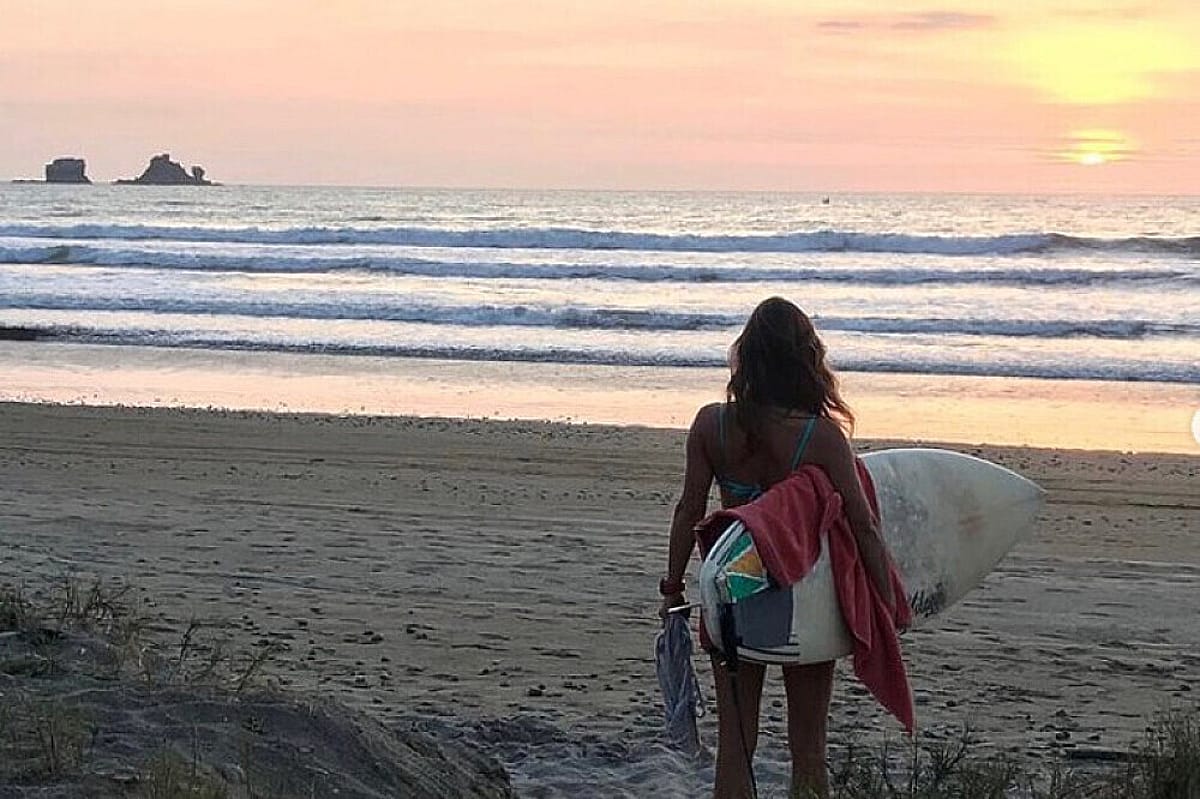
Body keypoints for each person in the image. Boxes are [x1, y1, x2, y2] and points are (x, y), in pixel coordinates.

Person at [658, 297, 897, 799]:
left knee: (735, 747)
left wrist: (673, 587)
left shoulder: (712, 426)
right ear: (806, 360)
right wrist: (887, 601)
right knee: (809, 747)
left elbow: (688, 511)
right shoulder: (822, 437)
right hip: (802, 596)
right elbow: (864, 527)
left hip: (733, 588)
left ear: (745, 356)